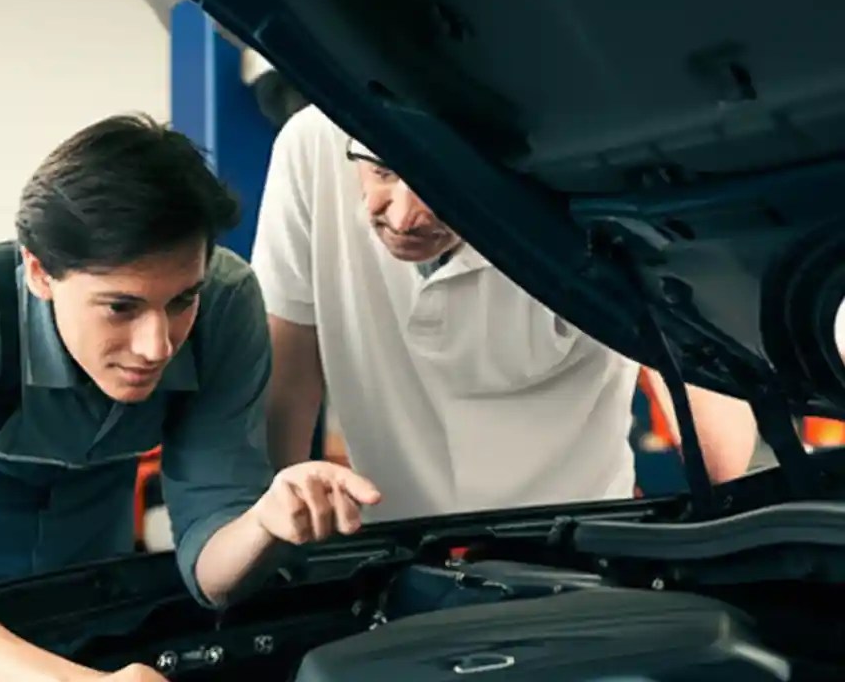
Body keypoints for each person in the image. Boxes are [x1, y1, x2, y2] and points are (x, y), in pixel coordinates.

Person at [0, 113, 383, 682]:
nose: (157, 346)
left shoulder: (225, 304)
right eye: (121, 307)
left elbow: (211, 562)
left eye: (180, 301)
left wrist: (263, 522)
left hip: (101, 609)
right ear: (40, 272)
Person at [250, 105, 757, 524]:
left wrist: (725, 519)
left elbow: (689, 367)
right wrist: (283, 538)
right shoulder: (311, 145)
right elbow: (288, 377)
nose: (404, 217)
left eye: (438, 184)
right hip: (397, 541)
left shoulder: (582, 163)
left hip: (585, 535)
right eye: (383, 171)